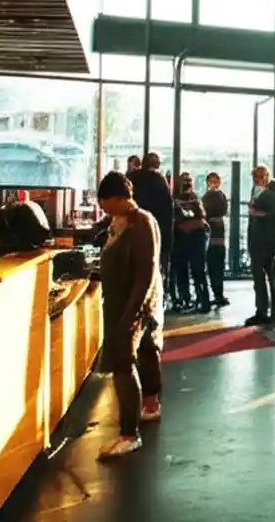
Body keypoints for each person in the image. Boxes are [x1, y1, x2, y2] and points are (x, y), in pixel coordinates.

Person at [94, 171, 163, 459]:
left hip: (132, 303)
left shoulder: (141, 224)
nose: (103, 208)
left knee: (124, 362)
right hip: (136, 302)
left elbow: (145, 272)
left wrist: (132, 312)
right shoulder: (123, 222)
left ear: (120, 198)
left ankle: (128, 433)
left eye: (106, 202)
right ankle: (150, 405)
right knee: (147, 351)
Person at [128, 153, 174, 297]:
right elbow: (168, 207)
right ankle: (157, 296)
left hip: (134, 227)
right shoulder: (159, 180)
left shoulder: (133, 178)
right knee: (157, 265)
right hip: (158, 228)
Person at [246, 165, 275, 326]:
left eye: (261, 177)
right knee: (258, 276)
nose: (258, 180)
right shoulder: (256, 189)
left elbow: (274, 207)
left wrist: (257, 212)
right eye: (256, 178)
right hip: (255, 238)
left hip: (269, 239)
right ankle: (261, 310)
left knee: (272, 275)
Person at [173, 172, 211, 314]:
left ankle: (203, 300)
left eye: (188, 181)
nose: (186, 184)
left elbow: (201, 217)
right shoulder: (175, 200)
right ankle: (186, 300)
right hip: (181, 239)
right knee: (182, 272)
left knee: (198, 271)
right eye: (184, 181)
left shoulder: (195, 198)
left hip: (195, 239)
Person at [202, 172, 230, 308]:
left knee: (215, 266)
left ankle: (217, 293)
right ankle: (218, 294)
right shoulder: (219, 196)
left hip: (215, 237)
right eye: (211, 181)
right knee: (216, 266)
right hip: (216, 236)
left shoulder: (210, 197)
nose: (213, 184)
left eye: (215, 181)